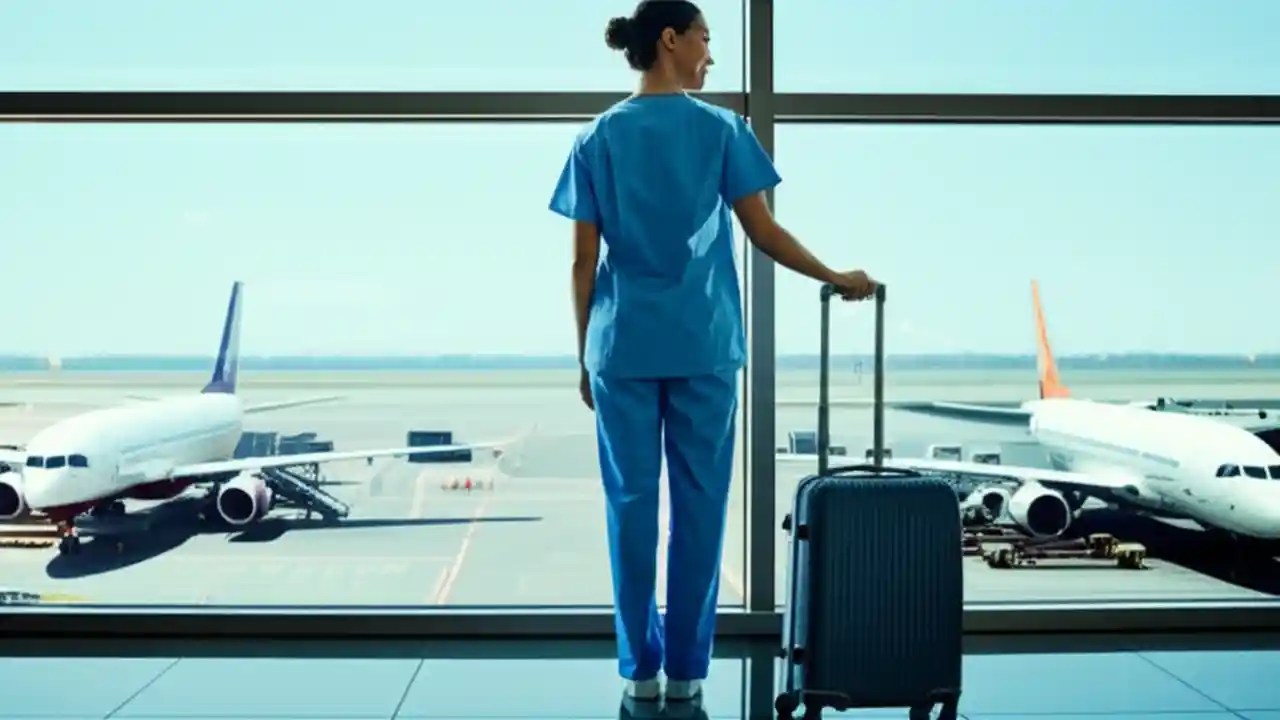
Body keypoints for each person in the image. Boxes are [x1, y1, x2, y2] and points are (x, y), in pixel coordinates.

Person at [547, 0, 877, 702]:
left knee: (630, 511)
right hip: (703, 345)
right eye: (704, 38)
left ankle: (639, 674)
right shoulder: (723, 130)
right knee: (699, 512)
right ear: (670, 39)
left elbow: (582, 262)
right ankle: (690, 673)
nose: (710, 54)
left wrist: (584, 355)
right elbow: (764, 234)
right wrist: (836, 276)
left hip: (621, 347)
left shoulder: (596, 138)